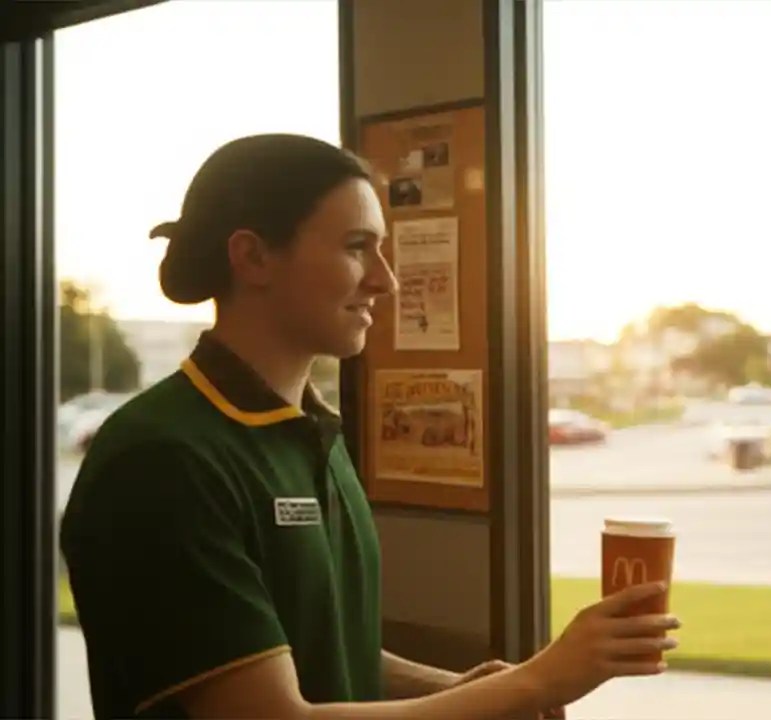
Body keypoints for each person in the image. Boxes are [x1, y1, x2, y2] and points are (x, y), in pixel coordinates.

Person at [59, 134, 680, 720]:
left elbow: (317, 648)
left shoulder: (310, 435)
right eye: (357, 246)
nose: (387, 279)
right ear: (253, 257)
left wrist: (459, 690)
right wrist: (538, 681)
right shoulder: (163, 458)